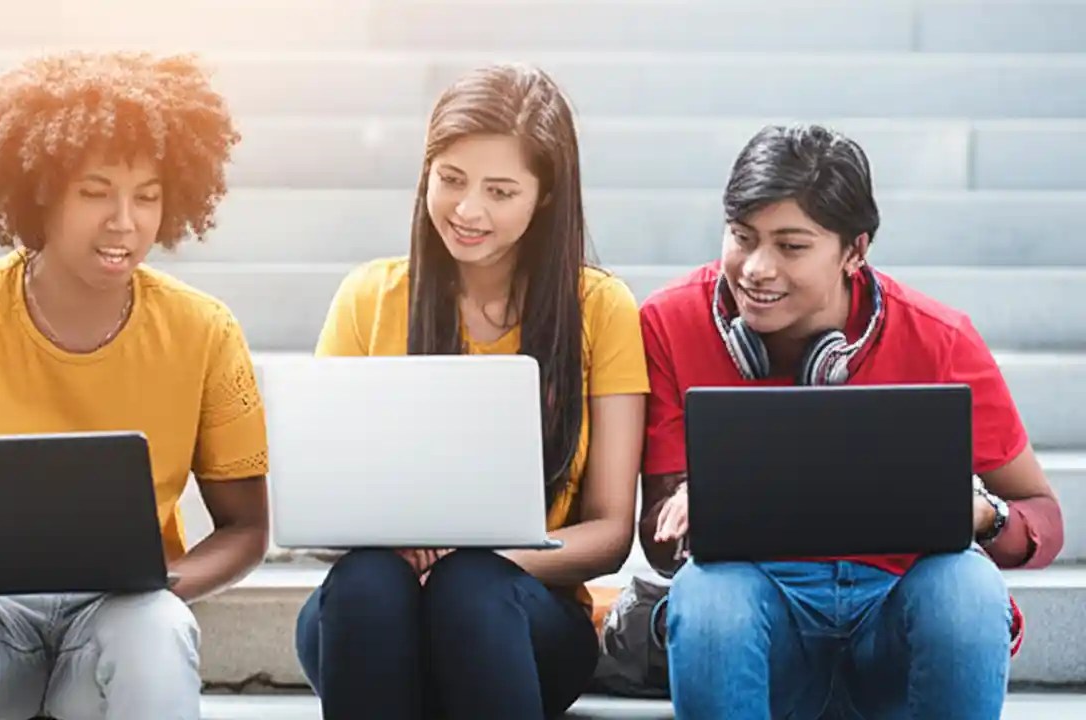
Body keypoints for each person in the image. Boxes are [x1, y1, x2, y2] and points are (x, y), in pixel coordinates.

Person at [0, 51, 270, 720]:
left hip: (113, 616)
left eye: (147, 196)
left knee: (156, 630)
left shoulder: (204, 331)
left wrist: (158, 586)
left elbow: (246, 527)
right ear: (41, 191)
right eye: (96, 192)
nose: (125, 221)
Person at [635, 124, 1065, 719]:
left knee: (966, 588)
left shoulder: (940, 340)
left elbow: (1042, 519)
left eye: (791, 246)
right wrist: (683, 508)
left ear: (854, 252)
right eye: (742, 238)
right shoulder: (670, 322)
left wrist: (982, 515)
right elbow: (658, 541)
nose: (757, 268)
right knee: (708, 595)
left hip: (895, 625)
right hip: (758, 627)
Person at [292, 63, 650, 720]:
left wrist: (476, 554)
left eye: (500, 190)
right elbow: (314, 511)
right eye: (450, 180)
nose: (468, 210)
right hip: (377, 610)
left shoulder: (600, 309)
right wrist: (395, 545)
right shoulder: (369, 297)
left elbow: (609, 531)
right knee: (370, 580)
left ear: (543, 196)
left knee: (470, 584)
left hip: (519, 617)